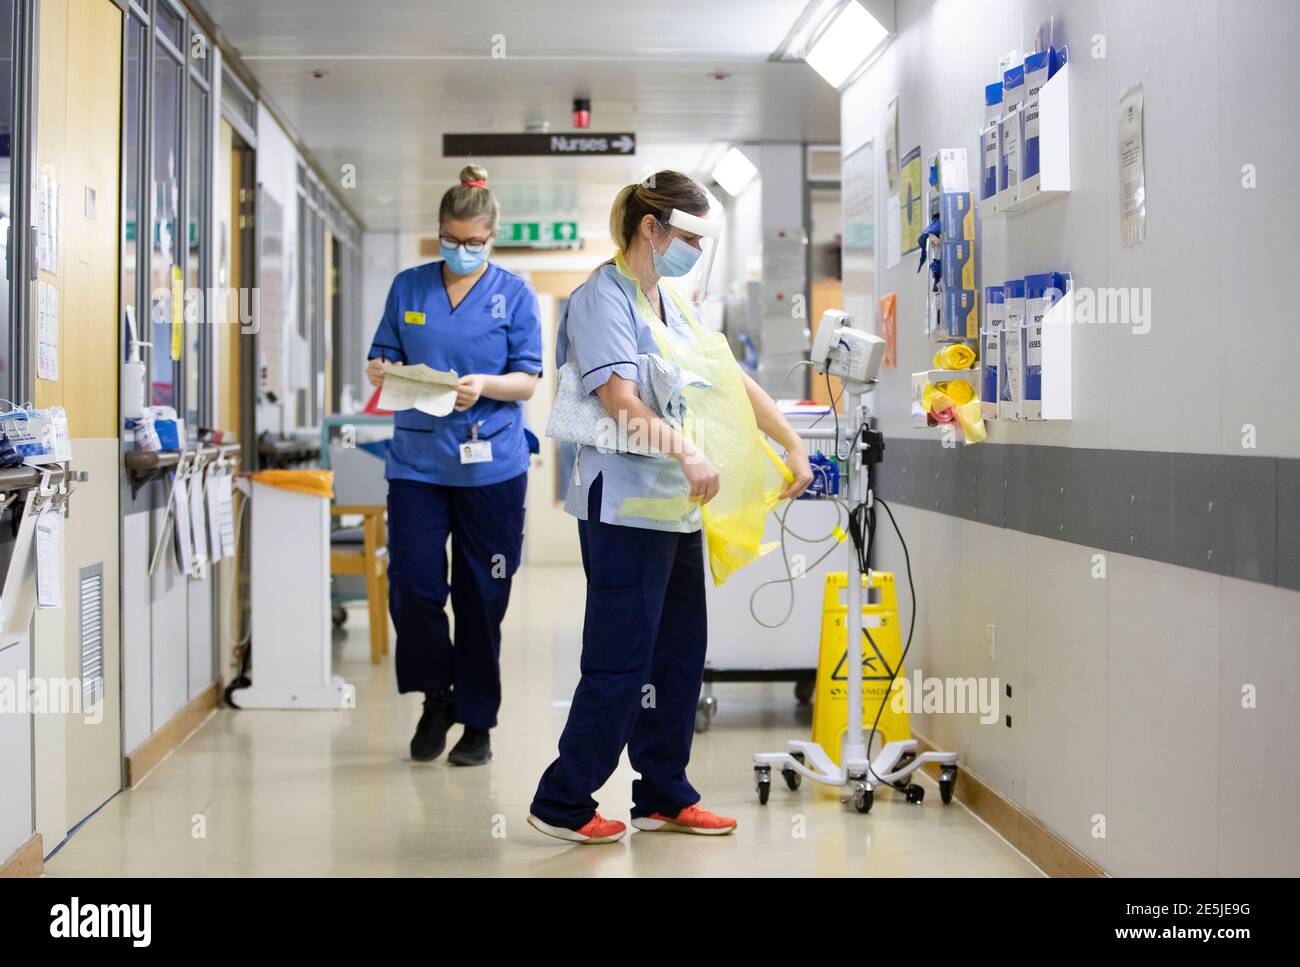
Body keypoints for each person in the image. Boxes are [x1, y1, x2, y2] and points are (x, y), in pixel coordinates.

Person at [528, 171, 813, 843]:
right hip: (626, 508)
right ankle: (563, 798)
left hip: (678, 510)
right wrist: (686, 451)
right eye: (687, 236)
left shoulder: (672, 302)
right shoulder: (603, 299)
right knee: (620, 659)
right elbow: (621, 402)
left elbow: (729, 378)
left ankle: (663, 791)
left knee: (680, 657)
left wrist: (792, 440)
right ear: (650, 229)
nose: (693, 250)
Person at [366, 165, 542, 767]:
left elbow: (527, 381)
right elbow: (382, 357)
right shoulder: (408, 288)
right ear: (438, 232)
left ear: (492, 239)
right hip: (417, 460)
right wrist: (380, 370)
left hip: (490, 463)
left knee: (482, 594)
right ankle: (435, 695)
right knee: (413, 584)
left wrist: (484, 385)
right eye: (450, 238)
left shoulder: (514, 294)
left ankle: (477, 721)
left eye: (473, 242)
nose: (460, 250)